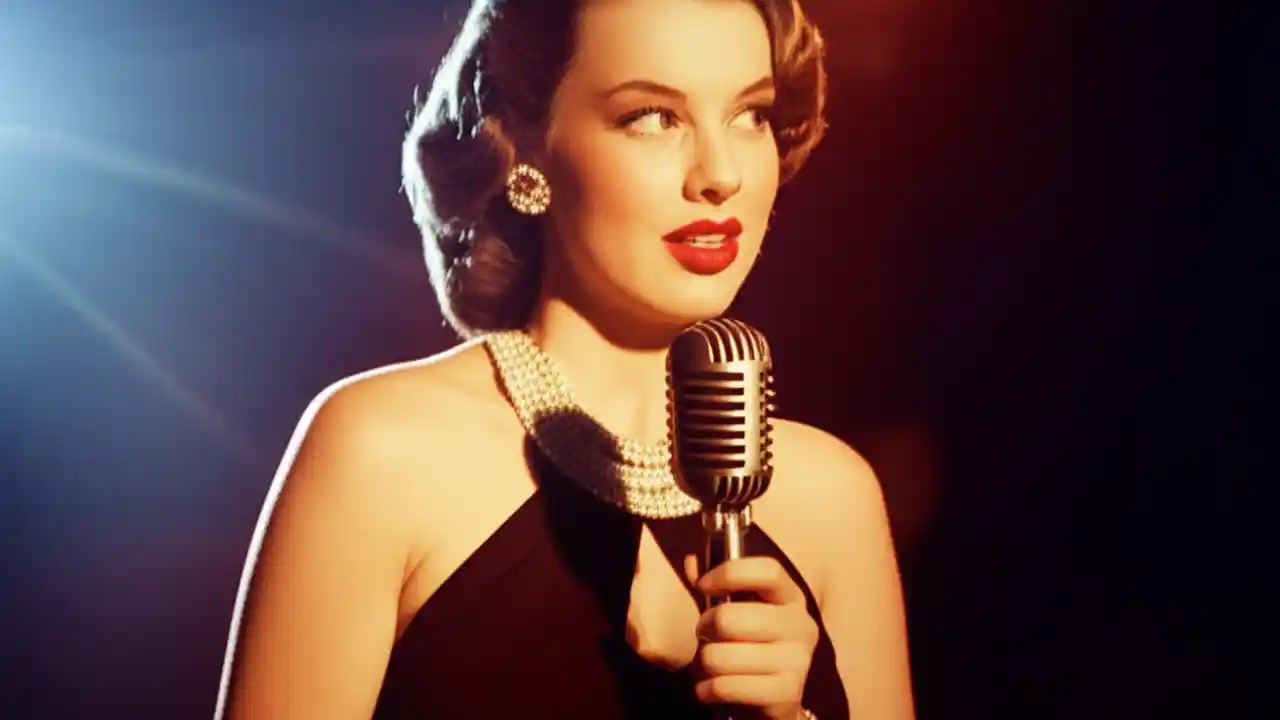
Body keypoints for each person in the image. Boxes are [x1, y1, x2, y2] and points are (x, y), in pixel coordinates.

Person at [216, 0, 913, 717]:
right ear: (524, 153)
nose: (720, 174)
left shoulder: (832, 498)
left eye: (751, 115)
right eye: (652, 116)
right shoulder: (381, 454)